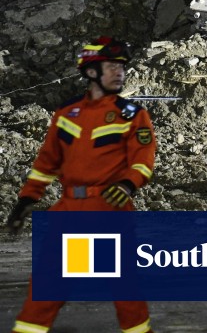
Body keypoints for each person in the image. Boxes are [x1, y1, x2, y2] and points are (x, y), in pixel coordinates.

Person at [6, 37, 157, 333]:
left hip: (108, 209)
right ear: (91, 73)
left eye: (121, 67)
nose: (119, 73)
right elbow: (46, 163)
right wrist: (25, 202)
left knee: (123, 290)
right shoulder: (66, 115)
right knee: (48, 285)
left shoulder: (132, 115)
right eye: (112, 66)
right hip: (70, 211)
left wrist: (128, 184)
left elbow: (143, 159)